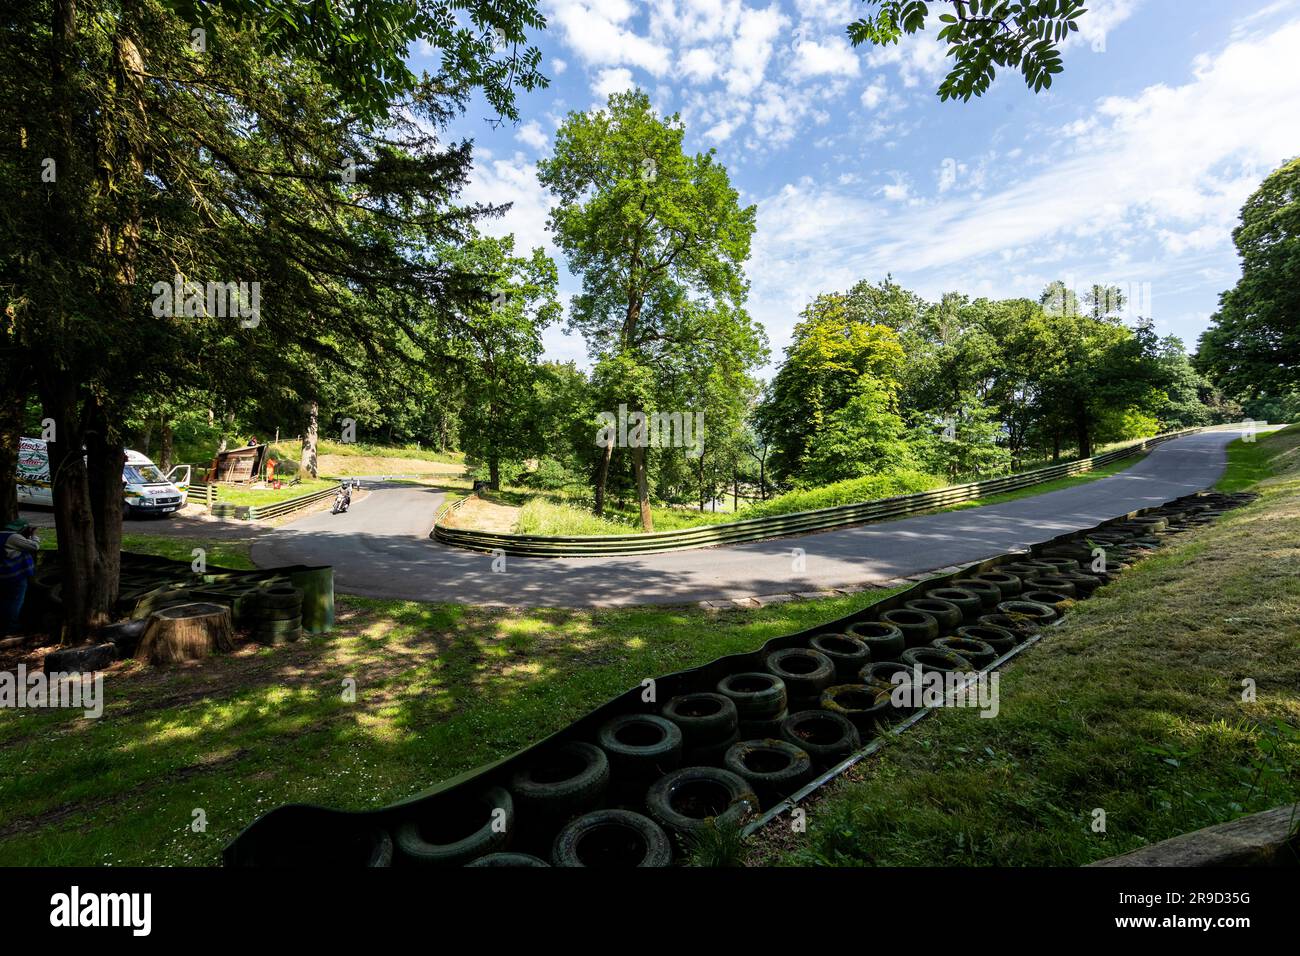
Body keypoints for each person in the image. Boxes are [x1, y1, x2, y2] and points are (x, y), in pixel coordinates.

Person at [0, 519, 40, 636]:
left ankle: (4, 627)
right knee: (15, 602)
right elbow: (34, 546)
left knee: (5, 602)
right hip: (14, 575)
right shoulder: (13, 537)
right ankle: (11, 629)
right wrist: (33, 536)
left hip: (3, 574)